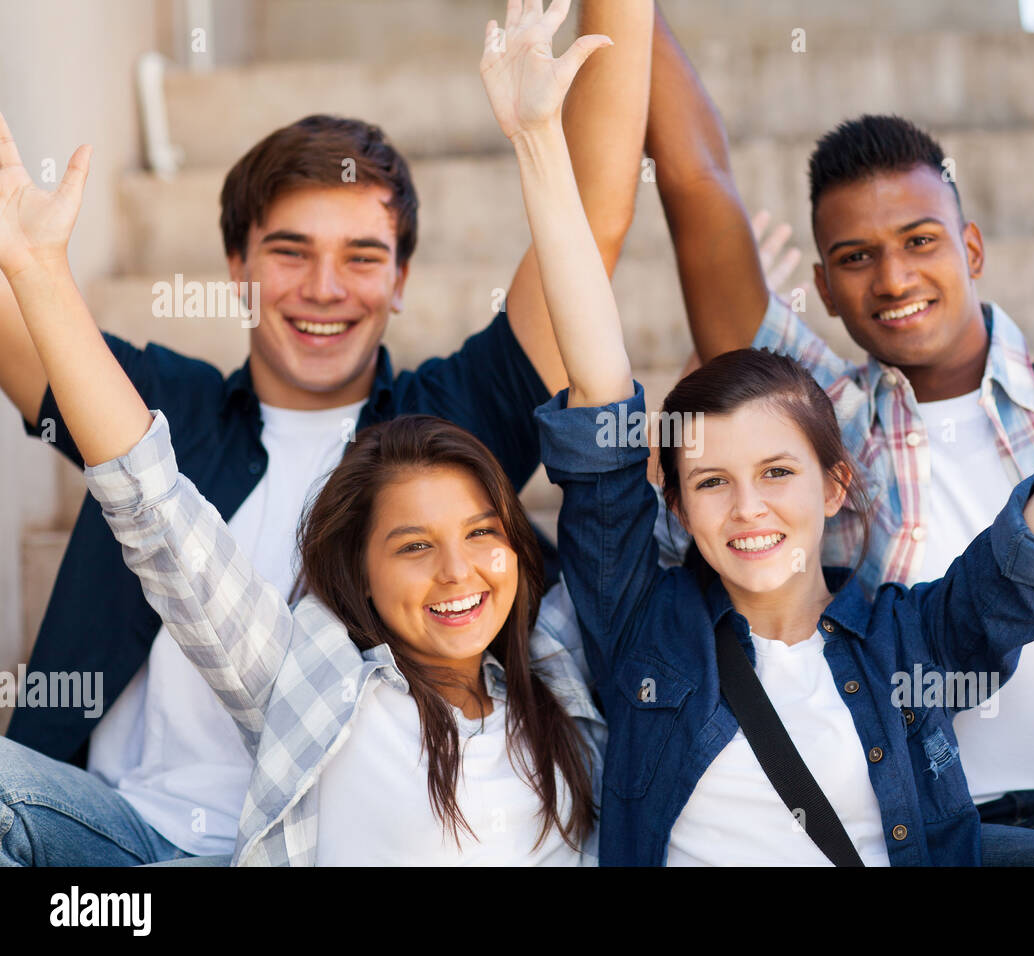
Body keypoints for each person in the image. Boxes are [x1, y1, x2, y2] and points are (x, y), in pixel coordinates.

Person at [479, 0, 1034, 865]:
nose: (895, 275)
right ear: (823, 290)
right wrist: (568, 92)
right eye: (856, 257)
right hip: (962, 828)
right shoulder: (815, 422)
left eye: (919, 239)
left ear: (972, 247)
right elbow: (693, 185)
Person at [0, 0, 651, 866]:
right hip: (123, 832)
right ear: (237, 267)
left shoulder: (447, 429)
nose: (324, 287)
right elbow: (38, 331)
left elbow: (597, 215)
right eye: (290, 251)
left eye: (362, 256)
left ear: (403, 277)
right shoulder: (160, 404)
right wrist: (33, 259)